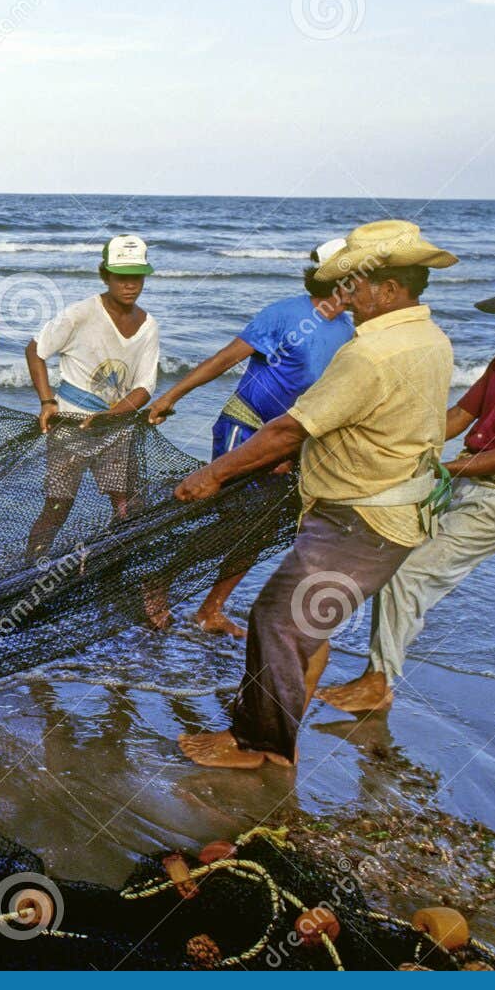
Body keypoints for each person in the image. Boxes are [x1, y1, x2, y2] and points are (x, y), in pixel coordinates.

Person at [171, 220, 457, 769]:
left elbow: (287, 428)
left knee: (277, 620)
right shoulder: (431, 337)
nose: (348, 296)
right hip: (390, 510)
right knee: (304, 624)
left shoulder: (369, 353)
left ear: (391, 290)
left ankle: (260, 746)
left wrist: (215, 475)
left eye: (358, 285)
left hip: (362, 521)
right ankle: (280, 734)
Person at [319, 264, 495, 714]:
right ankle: (375, 671)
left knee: (410, 573)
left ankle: (378, 683)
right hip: (464, 480)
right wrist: (406, 447)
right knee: (390, 551)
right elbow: (458, 417)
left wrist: (439, 469)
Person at [145, 239, 353, 635]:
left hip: (287, 440)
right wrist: (171, 395)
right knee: (235, 519)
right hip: (246, 427)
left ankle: (211, 611)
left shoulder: (347, 329)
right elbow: (225, 358)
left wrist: (296, 449)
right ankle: (158, 580)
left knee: (260, 527)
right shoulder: (283, 314)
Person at [25, 234, 160, 559]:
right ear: (105, 276)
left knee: (127, 504)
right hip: (70, 425)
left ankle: (114, 567)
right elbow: (35, 349)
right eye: (121, 278)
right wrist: (47, 401)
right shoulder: (81, 314)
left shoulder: (148, 326)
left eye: (136, 278)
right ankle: (30, 568)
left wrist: (112, 417)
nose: (130, 286)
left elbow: (144, 386)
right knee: (58, 505)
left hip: (115, 427)